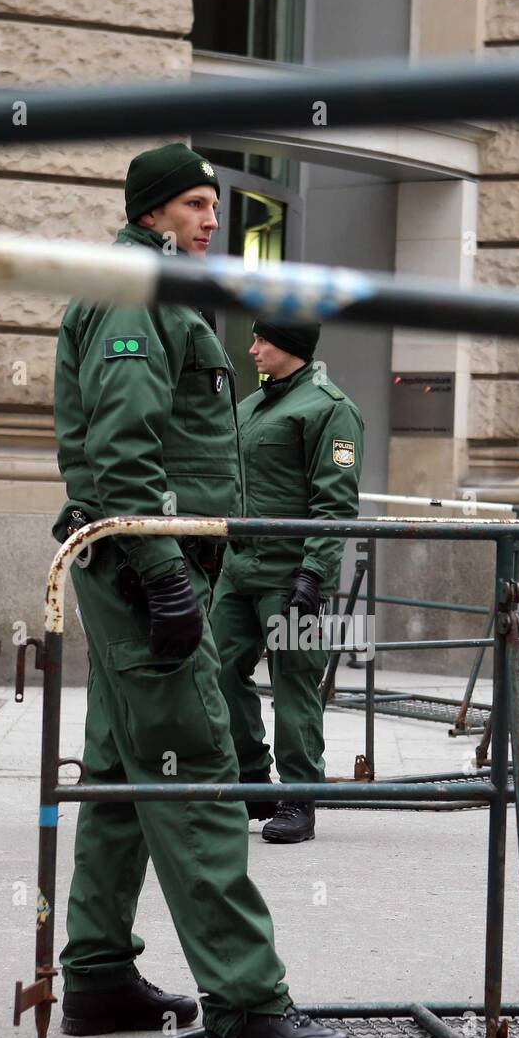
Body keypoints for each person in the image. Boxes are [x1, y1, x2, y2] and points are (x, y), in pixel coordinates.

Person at [51, 142, 351, 1038]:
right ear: (151, 213)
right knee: (199, 783)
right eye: (192, 205)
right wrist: (167, 574)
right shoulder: (142, 289)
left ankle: (97, 977)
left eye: (212, 206)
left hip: (144, 573)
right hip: (150, 577)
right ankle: (250, 1003)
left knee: (117, 778)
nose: (210, 219)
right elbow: (121, 447)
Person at [210, 320, 364, 844]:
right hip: (238, 571)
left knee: (295, 684)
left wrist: (313, 575)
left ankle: (301, 797)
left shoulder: (329, 408)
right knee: (218, 670)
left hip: (292, 575)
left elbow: (335, 504)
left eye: (263, 340)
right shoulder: (249, 408)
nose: (252, 348)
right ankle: (253, 781)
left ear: (291, 348)